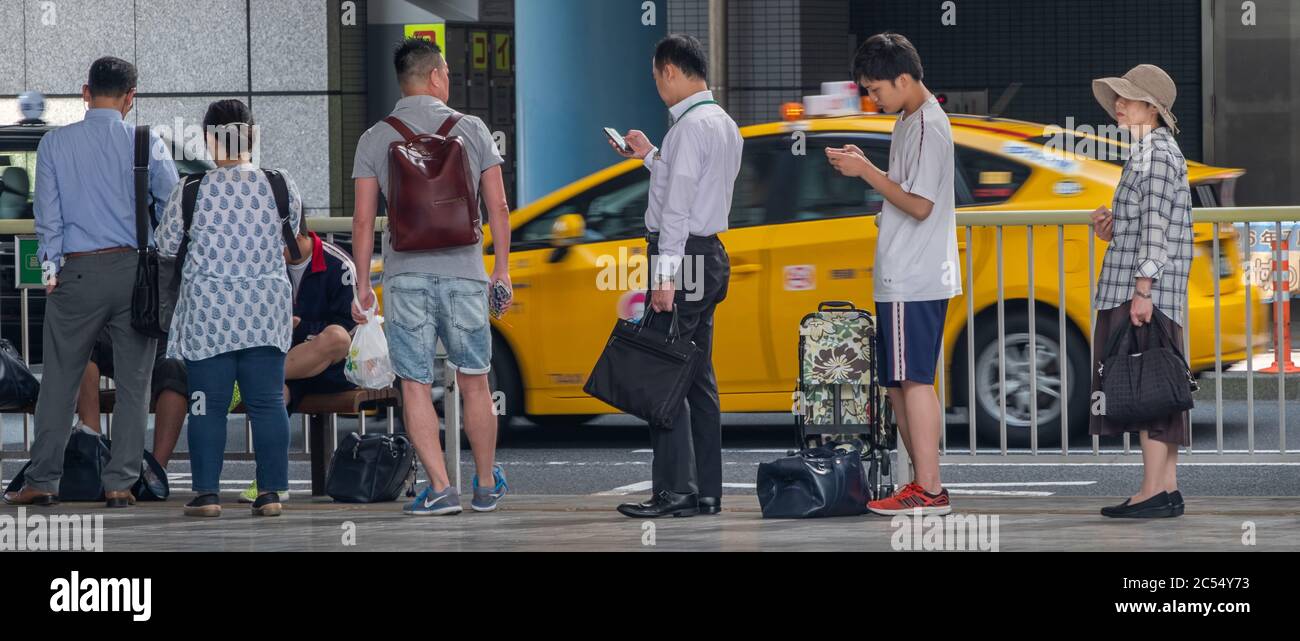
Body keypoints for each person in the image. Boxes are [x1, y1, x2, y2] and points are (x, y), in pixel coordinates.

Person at [5, 57, 179, 508]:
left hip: (76, 272)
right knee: (135, 383)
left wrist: (50, 271)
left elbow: (48, 218)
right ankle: (119, 482)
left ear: (86, 92)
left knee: (60, 379)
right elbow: (173, 208)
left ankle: (44, 479)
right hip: (135, 274)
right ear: (130, 97)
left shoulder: (55, 144)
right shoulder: (147, 143)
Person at [351, 37, 514, 516]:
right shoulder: (474, 129)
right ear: (437, 76)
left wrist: (363, 285)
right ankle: (485, 485)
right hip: (465, 273)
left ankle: (442, 489)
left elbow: (362, 221)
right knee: (476, 381)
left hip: (405, 277)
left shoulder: (375, 137)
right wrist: (499, 269)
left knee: (416, 383)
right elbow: (500, 206)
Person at [826, 32, 960, 516]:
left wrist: (865, 171)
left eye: (877, 88)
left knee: (914, 380)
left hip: (914, 273)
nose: (873, 97)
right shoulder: (910, 121)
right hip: (905, 273)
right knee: (901, 381)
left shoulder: (927, 126)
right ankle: (922, 485)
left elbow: (921, 205)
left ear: (903, 79)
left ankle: (928, 486)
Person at [610, 34, 743, 519]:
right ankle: (706, 491)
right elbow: (693, 185)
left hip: (682, 258)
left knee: (662, 375)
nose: (656, 86)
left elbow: (678, 210)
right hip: (709, 256)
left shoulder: (688, 128)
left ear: (670, 71)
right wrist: (650, 156)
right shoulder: (724, 124)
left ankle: (674, 491)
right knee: (697, 378)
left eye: (655, 76)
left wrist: (664, 276)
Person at [156, 99, 301, 518]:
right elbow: (294, 238)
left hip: (209, 315)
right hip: (265, 311)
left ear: (207, 140)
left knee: (206, 405)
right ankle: (271, 493)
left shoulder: (191, 189)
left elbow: (167, 247)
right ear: (252, 137)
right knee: (268, 402)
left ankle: (206, 496)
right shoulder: (278, 183)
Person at [1089, 65, 1192, 519]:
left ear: (1152, 108)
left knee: (1148, 389)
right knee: (1161, 388)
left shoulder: (1152, 154)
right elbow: (1149, 224)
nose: (1118, 104)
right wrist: (1110, 230)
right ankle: (1166, 488)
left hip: (1145, 290)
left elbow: (1155, 227)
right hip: (1158, 289)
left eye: (1127, 99)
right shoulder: (1161, 150)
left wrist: (1143, 288)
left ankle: (1151, 492)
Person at [237, 229, 358, 503]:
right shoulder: (265, 265)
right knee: (275, 394)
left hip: (333, 366)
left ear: (294, 235)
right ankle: (271, 481)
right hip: (288, 362)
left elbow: (350, 330)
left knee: (336, 337)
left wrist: (303, 328)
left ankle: (246, 381)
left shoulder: (337, 263)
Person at [77, 331, 188, 467]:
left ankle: (156, 470)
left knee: (174, 367)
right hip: (108, 330)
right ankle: (92, 445)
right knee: (84, 343)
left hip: (156, 331)